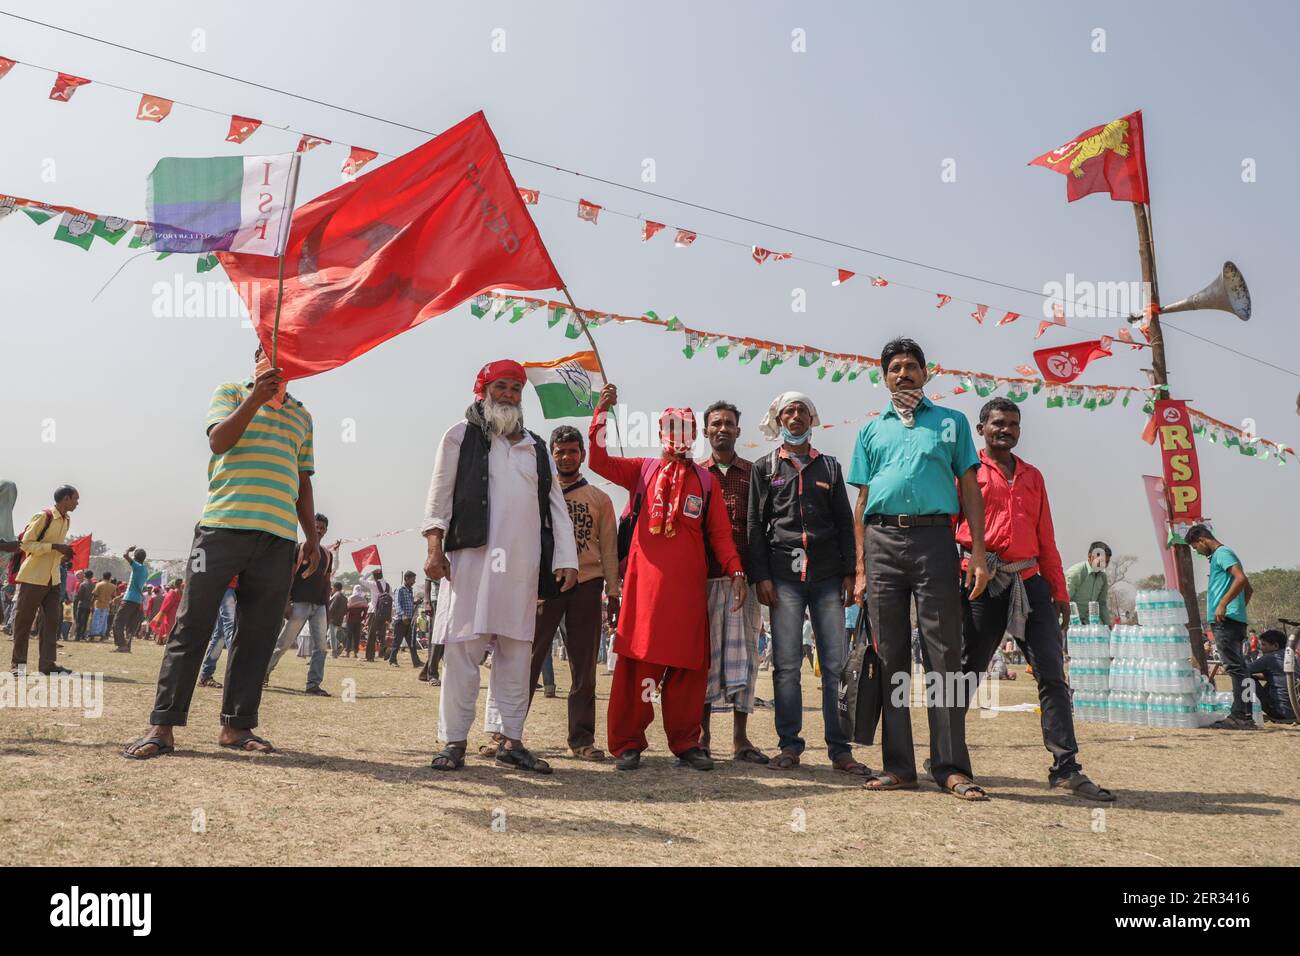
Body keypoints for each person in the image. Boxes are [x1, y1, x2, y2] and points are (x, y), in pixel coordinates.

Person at [123, 345, 319, 759]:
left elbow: (303, 482)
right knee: (192, 624)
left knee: (257, 634)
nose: (276, 363)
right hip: (221, 528)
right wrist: (256, 398)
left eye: (285, 357)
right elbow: (219, 441)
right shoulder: (231, 392)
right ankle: (163, 726)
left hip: (278, 537)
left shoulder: (303, 416)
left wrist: (311, 539)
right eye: (268, 354)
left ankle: (237, 726)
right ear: (256, 361)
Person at [849, 337, 991, 800]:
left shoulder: (952, 423)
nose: (903, 373)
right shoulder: (871, 430)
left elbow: (970, 488)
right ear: (884, 376)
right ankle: (899, 766)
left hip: (935, 541)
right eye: (895, 368)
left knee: (944, 655)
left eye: (912, 366)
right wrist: (860, 567)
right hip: (882, 542)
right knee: (890, 658)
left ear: (926, 373)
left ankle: (950, 766)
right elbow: (863, 502)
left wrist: (980, 554)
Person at [422, 360, 578, 774]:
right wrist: (434, 547)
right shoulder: (459, 436)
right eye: (501, 387)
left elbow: (556, 509)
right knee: (462, 651)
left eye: (515, 388)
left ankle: (511, 740)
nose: (509, 394)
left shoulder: (535, 447)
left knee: (516, 651)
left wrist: (565, 559)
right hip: (470, 562)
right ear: (483, 390)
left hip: (521, 568)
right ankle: (453, 742)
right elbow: (439, 496)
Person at [956, 398, 1113, 800]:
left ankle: (1066, 768)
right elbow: (949, 528)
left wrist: (1058, 590)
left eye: (1012, 424)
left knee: (1052, 675)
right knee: (964, 674)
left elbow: (1046, 536)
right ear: (981, 429)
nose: (1005, 429)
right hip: (980, 582)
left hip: (1030, 581)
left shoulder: (1033, 476)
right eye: (997, 423)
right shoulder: (966, 471)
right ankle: (950, 762)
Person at [588, 384, 746, 772]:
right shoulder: (641, 470)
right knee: (637, 667)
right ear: (661, 433)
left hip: (689, 593)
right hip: (644, 591)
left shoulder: (706, 483)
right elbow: (597, 459)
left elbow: (721, 536)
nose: (678, 436)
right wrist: (601, 413)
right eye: (671, 428)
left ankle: (686, 743)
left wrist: (736, 571)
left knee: (688, 670)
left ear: (694, 436)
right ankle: (628, 743)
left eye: (685, 429)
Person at [749, 391, 867, 774]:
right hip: (782, 578)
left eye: (802, 410)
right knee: (785, 666)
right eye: (789, 410)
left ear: (812, 419)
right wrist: (761, 576)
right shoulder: (764, 467)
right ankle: (790, 746)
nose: (796, 416)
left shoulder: (829, 468)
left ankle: (840, 750)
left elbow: (846, 525)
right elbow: (755, 526)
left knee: (834, 665)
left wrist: (851, 572)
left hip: (827, 576)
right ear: (779, 419)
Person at [507, 424, 620, 761]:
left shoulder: (600, 499)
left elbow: (610, 550)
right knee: (527, 659)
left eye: (573, 451)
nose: (567, 457)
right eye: (560, 451)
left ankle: (582, 739)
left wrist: (613, 590)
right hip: (546, 585)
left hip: (588, 584)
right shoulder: (540, 493)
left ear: (582, 455)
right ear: (551, 455)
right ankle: (508, 734)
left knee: (583, 666)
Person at [696, 401, 767, 764]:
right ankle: (703, 737)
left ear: (739, 431)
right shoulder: (695, 474)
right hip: (704, 578)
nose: (722, 429)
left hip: (745, 582)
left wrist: (760, 576)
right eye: (716, 423)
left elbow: (760, 529)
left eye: (729, 424)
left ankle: (741, 740)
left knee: (748, 659)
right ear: (705, 431)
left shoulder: (754, 473)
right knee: (705, 658)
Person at [1185, 524, 1255, 730]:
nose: (1197, 552)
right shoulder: (1219, 557)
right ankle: (1245, 714)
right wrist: (1237, 609)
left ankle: (1241, 715)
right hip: (1233, 619)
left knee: (1235, 668)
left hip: (1226, 622)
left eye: (1195, 547)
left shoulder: (1222, 553)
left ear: (1202, 540)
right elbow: (1248, 588)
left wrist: (1224, 605)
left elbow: (1241, 579)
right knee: (1239, 668)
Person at [9, 485, 80, 675]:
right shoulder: (44, 516)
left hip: (53, 579)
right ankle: (19, 665)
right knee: (24, 623)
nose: (77, 503)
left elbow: (52, 550)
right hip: (33, 577)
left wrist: (64, 553)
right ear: (66, 499)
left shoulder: (66, 520)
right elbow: (26, 544)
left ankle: (47, 665)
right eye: (75, 499)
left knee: (51, 622)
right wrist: (54, 547)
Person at [266, 513, 335, 694]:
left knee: (321, 647)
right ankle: (263, 674)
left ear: (326, 531)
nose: (318, 530)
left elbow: (327, 583)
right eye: (316, 527)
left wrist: (327, 609)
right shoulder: (299, 549)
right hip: (299, 604)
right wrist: (286, 603)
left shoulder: (328, 555)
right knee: (284, 643)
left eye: (322, 528)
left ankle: (313, 684)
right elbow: (288, 577)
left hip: (319, 606)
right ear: (309, 527)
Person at [1243, 630, 1296, 723]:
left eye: (1264, 645)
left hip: (1281, 713)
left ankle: (1244, 711)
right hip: (1296, 711)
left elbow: (1243, 670)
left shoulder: (1271, 657)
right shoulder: (1292, 658)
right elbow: (1279, 676)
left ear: (1275, 646)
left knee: (1245, 678)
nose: (1261, 648)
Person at [198, 579, 238, 687]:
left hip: (236, 587)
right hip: (226, 585)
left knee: (220, 635)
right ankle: (239, 675)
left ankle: (206, 675)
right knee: (231, 629)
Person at [112, 546, 149, 653]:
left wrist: (128, 549)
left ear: (135, 557)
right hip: (137, 600)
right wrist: (120, 597)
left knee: (117, 622)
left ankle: (121, 645)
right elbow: (134, 586)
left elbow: (125, 555)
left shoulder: (137, 567)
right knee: (130, 625)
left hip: (129, 599)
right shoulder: (145, 570)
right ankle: (127, 646)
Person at [1065, 542, 1111, 625]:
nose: (1104, 565)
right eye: (1101, 561)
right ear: (1090, 557)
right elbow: (1063, 601)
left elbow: (1102, 604)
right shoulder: (1077, 573)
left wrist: (1108, 625)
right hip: (1070, 625)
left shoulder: (1102, 578)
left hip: (1087, 626)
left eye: (1107, 562)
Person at [388, 571, 423, 668]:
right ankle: (392, 660)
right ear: (407, 578)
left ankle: (416, 662)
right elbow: (397, 603)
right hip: (401, 620)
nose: (414, 581)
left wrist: (415, 602)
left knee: (412, 642)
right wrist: (402, 615)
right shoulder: (400, 589)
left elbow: (409, 603)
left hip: (410, 620)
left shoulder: (410, 590)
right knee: (397, 641)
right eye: (413, 579)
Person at [417, 576, 445, 684]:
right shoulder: (441, 558)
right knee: (437, 638)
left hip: (454, 600)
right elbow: (428, 578)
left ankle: (426, 671)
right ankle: (432, 674)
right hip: (438, 600)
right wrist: (427, 601)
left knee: (447, 640)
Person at [363, 568, 392, 662]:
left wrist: (369, 573)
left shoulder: (373, 584)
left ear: (374, 577)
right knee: (381, 634)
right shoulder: (388, 586)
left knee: (371, 635)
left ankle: (370, 656)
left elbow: (361, 580)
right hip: (384, 614)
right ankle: (383, 651)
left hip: (374, 612)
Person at [90, 571, 115, 639]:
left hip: (98, 604)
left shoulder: (99, 584)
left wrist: (91, 605)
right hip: (106, 605)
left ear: (103, 576)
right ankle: (102, 635)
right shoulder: (113, 586)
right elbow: (113, 597)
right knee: (104, 621)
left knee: (96, 620)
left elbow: (94, 595)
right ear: (110, 577)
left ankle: (92, 635)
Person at [345, 585, 368, 657]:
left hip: (350, 620)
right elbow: (365, 611)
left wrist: (346, 618)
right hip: (358, 621)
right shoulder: (363, 600)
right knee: (356, 637)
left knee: (349, 636)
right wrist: (362, 619)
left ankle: (347, 652)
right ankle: (355, 653)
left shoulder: (350, 598)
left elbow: (347, 610)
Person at [72, 569, 95, 641]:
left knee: (79, 621)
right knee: (85, 621)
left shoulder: (83, 584)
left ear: (85, 575)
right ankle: (82, 636)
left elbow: (79, 596)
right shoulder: (93, 585)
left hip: (82, 605)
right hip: (88, 605)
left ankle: (77, 636)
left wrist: (75, 602)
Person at [327, 581, 348, 658]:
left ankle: (334, 653)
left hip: (332, 619)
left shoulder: (336, 596)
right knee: (331, 636)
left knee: (331, 636)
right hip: (339, 619)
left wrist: (328, 616)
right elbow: (346, 610)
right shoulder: (344, 597)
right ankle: (338, 647)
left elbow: (331, 608)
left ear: (335, 588)